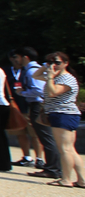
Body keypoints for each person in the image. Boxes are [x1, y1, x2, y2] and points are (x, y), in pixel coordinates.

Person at [9, 47, 59, 179]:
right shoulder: (31, 70)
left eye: (17, 57)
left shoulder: (32, 70)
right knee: (45, 136)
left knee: (45, 137)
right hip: (36, 105)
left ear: (25, 57)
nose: (15, 60)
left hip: (37, 105)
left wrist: (22, 93)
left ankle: (53, 168)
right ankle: (53, 167)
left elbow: (38, 90)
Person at [35, 52, 83, 188]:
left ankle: (66, 179)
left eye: (57, 62)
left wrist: (50, 78)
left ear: (66, 63)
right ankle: (82, 179)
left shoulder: (66, 79)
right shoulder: (56, 76)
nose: (53, 65)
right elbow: (35, 75)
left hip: (63, 114)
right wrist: (47, 67)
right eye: (50, 62)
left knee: (65, 149)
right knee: (70, 149)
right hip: (61, 114)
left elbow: (53, 92)